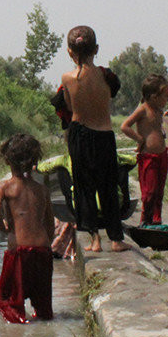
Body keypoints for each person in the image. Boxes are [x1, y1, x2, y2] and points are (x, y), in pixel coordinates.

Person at [60, 25, 130, 253]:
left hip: (80, 135)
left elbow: (69, 106)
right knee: (108, 186)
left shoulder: (68, 78)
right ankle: (117, 239)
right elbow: (110, 94)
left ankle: (95, 240)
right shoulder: (107, 76)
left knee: (84, 187)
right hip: (104, 134)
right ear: (97, 48)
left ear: (70, 51)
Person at [0, 134, 55, 323]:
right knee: (43, 307)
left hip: (19, 251)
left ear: (7, 160)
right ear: (34, 162)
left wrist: (5, 227)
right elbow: (50, 223)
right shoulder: (42, 189)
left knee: (9, 304)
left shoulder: (5, 187)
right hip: (43, 250)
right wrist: (46, 244)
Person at [121, 74, 168, 225]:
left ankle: (156, 220)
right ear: (154, 97)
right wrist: (139, 139)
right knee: (149, 192)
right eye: (165, 96)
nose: (167, 100)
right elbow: (125, 126)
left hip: (162, 155)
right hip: (148, 156)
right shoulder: (143, 110)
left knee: (159, 192)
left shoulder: (158, 111)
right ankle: (145, 221)